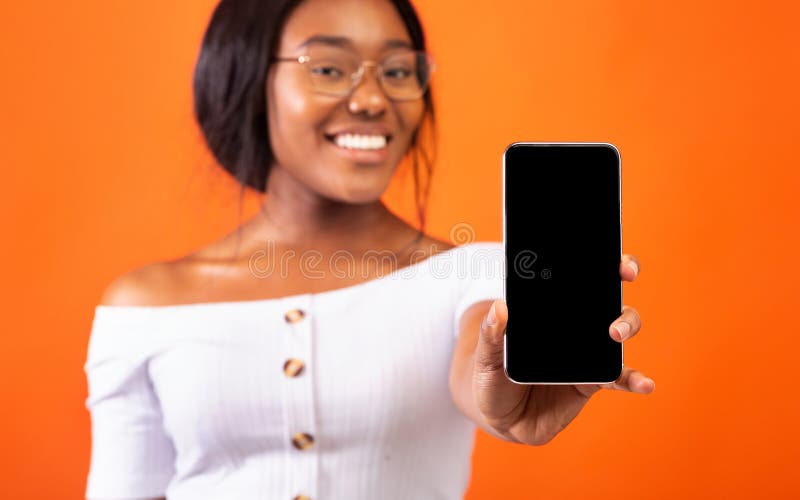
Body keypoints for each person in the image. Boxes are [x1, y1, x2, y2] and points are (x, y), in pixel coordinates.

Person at [83, 0, 654, 499]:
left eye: (399, 70)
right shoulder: (142, 307)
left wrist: (503, 399)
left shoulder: (474, 273)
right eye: (329, 67)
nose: (374, 98)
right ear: (245, 77)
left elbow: (480, 373)